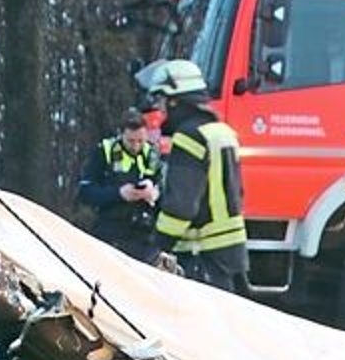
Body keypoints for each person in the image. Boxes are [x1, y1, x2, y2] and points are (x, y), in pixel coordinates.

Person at [139, 58, 248, 293]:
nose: (162, 110)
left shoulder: (189, 137)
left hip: (200, 255)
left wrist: (157, 245)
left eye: (164, 101)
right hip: (230, 254)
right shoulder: (222, 132)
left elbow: (182, 206)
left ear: (177, 100)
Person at [77, 108, 161, 259]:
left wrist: (153, 194)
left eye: (140, 141)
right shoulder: (105, 151)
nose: (136, 146)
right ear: (121, 134)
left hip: (144, 234)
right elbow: (85, 192)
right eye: (131, 141)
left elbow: (171, 194)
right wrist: (119, 194)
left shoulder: (153, 154)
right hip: (110, 232)